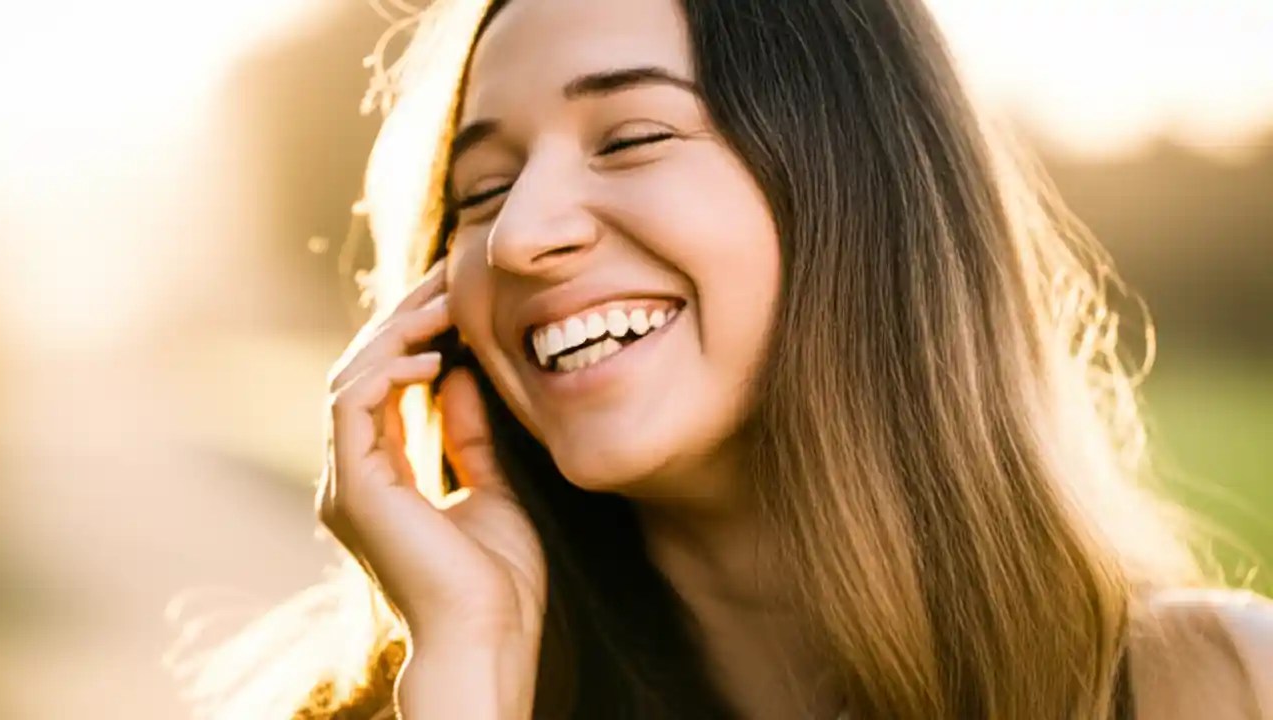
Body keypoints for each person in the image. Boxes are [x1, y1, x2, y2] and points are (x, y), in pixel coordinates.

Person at [180, 0, 1273, 717]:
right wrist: (470, 660)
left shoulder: (1221, 690)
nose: (517, 236)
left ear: (865, 189)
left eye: (632, 137)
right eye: (479, 192)